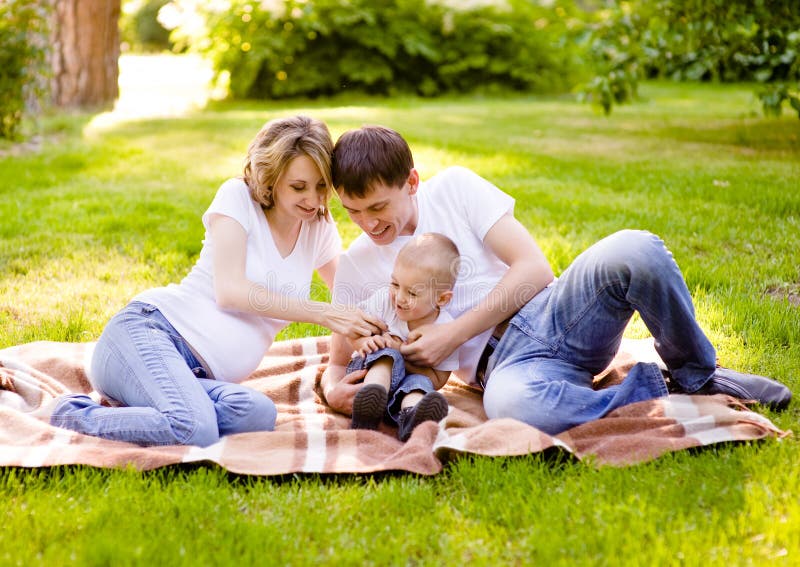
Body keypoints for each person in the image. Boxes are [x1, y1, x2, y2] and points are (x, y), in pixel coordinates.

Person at [322, 125, 791, 436]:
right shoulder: (360, 265)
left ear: (411, 182)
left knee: (637, 248)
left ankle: (701, 376)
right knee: (516, 409)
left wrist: (452, 334)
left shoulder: (457, 188)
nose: (367, 224)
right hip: (507, 371)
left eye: (377, 207)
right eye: (352, 212)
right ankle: (659, 387)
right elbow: (338, 359)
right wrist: (331, 385)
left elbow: (534, 269)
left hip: (558, 313)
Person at [46, 115, 384, 447]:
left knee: (257, 414)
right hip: (150, 334)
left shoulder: (317, 228)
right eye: (298, 187)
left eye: (321, 186)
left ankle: (160, 407)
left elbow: (350, 296)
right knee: (194, 430)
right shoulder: (238, 197)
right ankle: (73, 414)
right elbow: (231, 291)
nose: (312, 200)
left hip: (199, 379)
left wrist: (391, 328)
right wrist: (323, 313)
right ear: (272, 178)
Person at [348, 232, 460, 441]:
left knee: (420, 383)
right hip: (366, 374)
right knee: (387, 355)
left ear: (442, 299)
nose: (399, 298)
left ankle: (412, 418)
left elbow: (438, 380)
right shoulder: (383, 301)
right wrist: (365, 342)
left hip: (403, 391)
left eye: (412, 293)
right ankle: (369, 403)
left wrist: (404, 354)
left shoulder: (445, 330)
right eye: (395, 284)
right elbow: (353, 332)